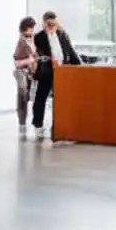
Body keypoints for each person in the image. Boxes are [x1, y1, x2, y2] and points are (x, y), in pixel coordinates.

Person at [31, 10, 81, 140]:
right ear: (44, 23)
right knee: (41, 97)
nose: (51, 26)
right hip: (46, 71)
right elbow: (37, 53)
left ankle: (58, 125)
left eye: (54, 23)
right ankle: (38, 125)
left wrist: (80, 66)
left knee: (60, 99)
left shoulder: (63, 34)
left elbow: (70, 51)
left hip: (62, 71)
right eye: (49, 23)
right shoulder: (39, 37)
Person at [13, 16, 38, 137]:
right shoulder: (22, 42)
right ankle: (22, 123)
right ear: (25, 29)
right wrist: (30, 60)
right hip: (21, 73)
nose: (32, 31)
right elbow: (17, 62)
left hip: (29, 73)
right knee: (22, 98)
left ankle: (24, 122)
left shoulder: (30, 40)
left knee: (27, 97)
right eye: (31, 28)